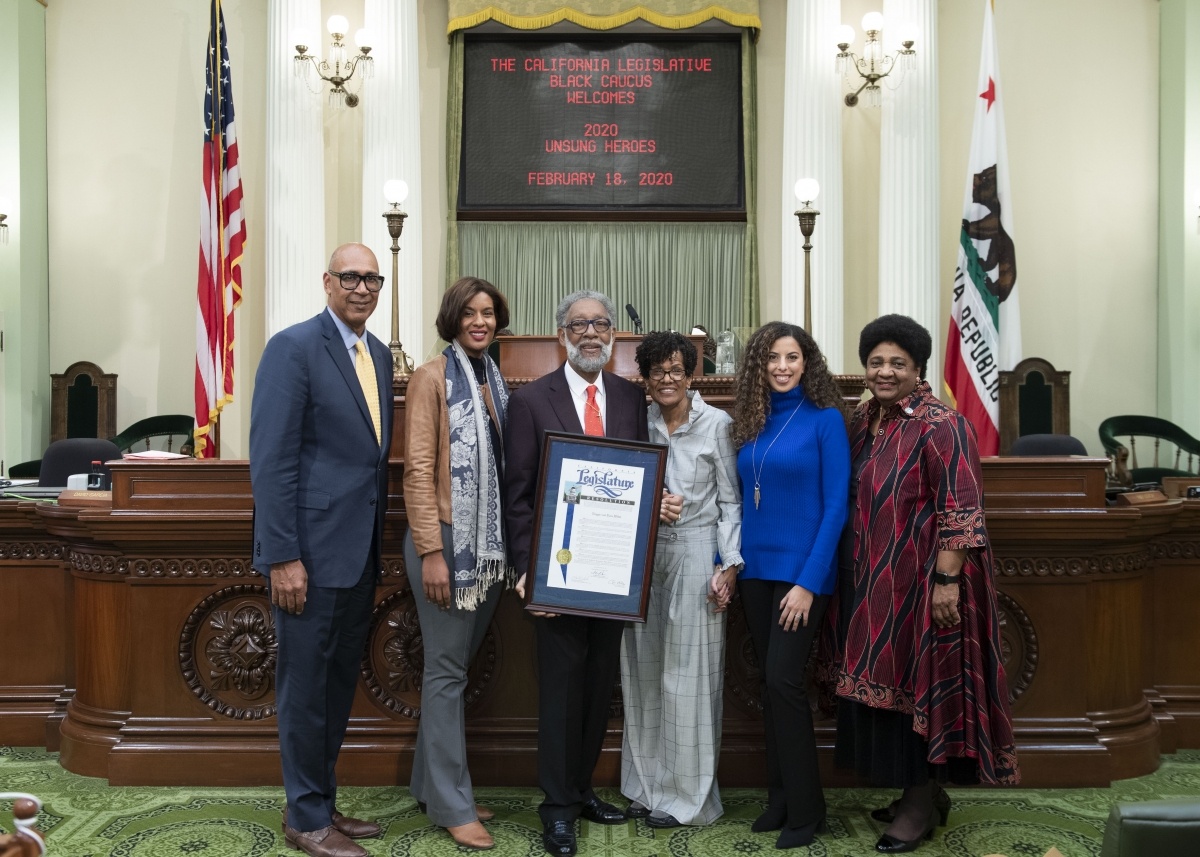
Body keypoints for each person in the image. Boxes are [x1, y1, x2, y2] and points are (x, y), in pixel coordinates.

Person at [818, 314, 1019, 854]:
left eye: (897, 364)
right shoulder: (863, 420)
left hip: (922, 585)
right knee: (887, 689)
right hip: (871, 581)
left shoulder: (941, 424)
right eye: (876, 362)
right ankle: (922, 791)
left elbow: (962, 510)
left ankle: (919, 802)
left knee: (918, 688)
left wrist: (947, 582)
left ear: (918, 368)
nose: (885, 372)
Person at [250, 243, 392, 857]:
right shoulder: (294, 347)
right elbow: (272, 459)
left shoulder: (379, 355)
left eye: (372, 278)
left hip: (357, 554)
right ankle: (305, 818)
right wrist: (282, 555)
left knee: (335, 687)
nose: (362, 288)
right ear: (328, 281)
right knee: (305, 688)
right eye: (351, 277)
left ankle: (323, 803)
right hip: (306, 555)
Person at [504, 290, 650, 857]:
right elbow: (517, 496)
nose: (592, 333)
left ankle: (582, 787)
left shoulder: (629, 398)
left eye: (601, 324)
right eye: (580, 324)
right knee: (561, 693)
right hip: (555, 577)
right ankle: (557, 809)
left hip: (614, 575)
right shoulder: (532, 402)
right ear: (560, 332)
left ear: (612, 334)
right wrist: (525, 572)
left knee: (596, 689)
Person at [728, 321, 849, 850]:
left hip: (803, 577)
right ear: (760, 365)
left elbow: (835, 506)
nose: (782, 366)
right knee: (769, 688)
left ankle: (807, 809)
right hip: (755, 573)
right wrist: (726, 562)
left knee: (784, 682)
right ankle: (779, 799)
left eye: (792, 357)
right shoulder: (748, 423)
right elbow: (733, 502)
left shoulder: (826, 421)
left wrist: (807, 582)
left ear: (807, 363)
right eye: (773, 357)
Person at [403, 276, 513, 851]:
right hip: (446, 542)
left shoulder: (493, 378)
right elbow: (417, 471)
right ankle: (452, 804)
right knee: (446, 674)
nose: (480, 321)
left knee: (454, 670)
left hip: (487, 549)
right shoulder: (431, 377)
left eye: (489, 313)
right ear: (453, 317)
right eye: (470, 312)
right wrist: (430, 552)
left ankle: (433, 784)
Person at [619, 331, 742, 829]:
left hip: (696, 553)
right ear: (645, 379)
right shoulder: (637, 421)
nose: (667, 379)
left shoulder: (717, 424)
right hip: (643, 555)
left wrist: (728, 565)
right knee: (643, 675)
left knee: (688, 680)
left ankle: (688, 799)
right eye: (657, 371)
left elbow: (731, 501)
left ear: (692, 375)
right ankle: (645, 787)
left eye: (676, 370)